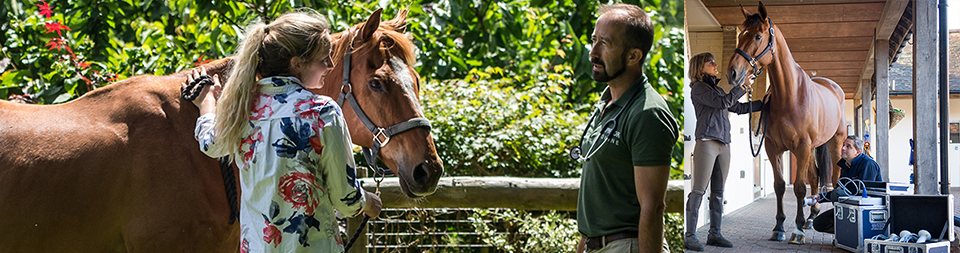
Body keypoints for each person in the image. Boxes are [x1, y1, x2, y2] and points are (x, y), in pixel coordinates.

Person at [185, 10, 382, 252]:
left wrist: (207, 104)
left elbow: (211, 145)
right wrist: (367, 202)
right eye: (324, 59)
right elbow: (345, 198)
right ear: (296, 63)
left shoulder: (242, 110)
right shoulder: (322, 112)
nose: (330, 66)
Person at [574, 4, 679, 253]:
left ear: (633, 56)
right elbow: (599, 198)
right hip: (596, 244)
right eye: (594, 40)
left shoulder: (647, 113)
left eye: (605, 43)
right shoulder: (607, 102)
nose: (593, 52)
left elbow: (653, 208)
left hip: (627, 246)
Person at [683, 52, 762, 251]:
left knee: (718, 192)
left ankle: (714, 234)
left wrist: (765, 104)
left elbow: (738, 108)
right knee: (699, 190)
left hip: (724, 144)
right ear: (700, 67)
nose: (715, 64)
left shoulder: (717, 90)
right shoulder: (699, 88)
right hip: (708, 143)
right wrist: (743, 87)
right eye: (710, 62)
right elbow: (723, 103)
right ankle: (690, 236)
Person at [808, 135, 882, 234]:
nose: (843, 148)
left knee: (838, 194)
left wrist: (840, 191)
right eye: (843, 145)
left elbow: (864, 196)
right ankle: (846, 234)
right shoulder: (845, 164)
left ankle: (853, 232)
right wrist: (818, 197)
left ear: (858, 152)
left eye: (848, 146)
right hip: (850, 207)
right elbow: (840, 189)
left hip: (865, 209)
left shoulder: (868, 164)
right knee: (818, 223)